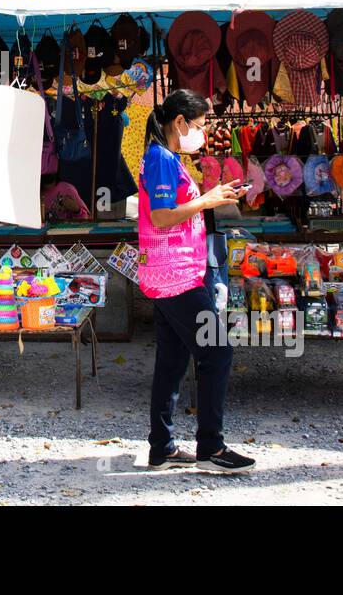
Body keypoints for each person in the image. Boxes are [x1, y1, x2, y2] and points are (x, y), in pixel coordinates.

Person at [139, 89, 254, 473]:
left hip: (177, 272)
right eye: (201, 125)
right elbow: (161, 216)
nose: (202, 133)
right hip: (175, 276)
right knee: (217, 352)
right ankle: (211, 450)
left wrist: (212, 196)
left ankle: (163, 448)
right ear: (180, 123)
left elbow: (177, 208)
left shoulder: (169, 158)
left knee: (172, 362)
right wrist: (207, 201)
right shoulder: (159, 158)